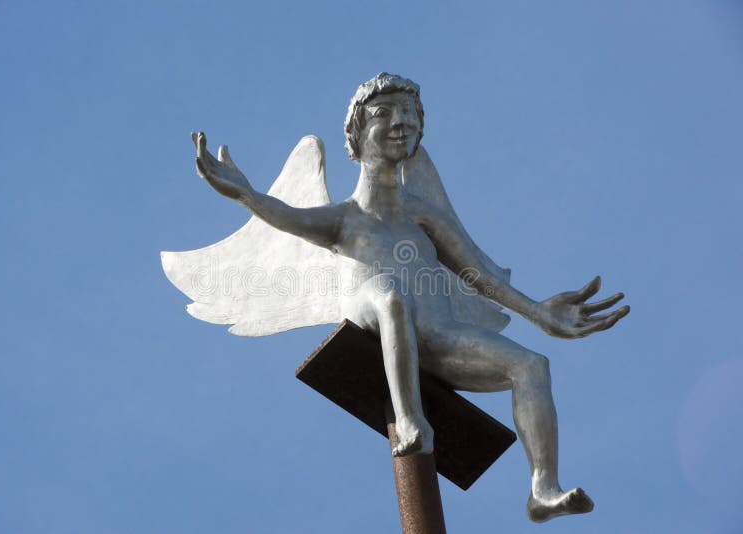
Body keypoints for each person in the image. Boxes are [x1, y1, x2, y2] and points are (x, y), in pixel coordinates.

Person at [191, 72, 629, 522]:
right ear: (357, 135)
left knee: (531, 365)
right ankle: (410, 420)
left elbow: (476, 271)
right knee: (392, 297)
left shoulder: (423, 215)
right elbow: (286, 217)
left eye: (410, 114)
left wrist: (538, 313)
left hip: (439, 337)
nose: (402, 122)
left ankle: (542, 488)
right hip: (373, 308)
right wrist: (246, 195)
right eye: (385, 113)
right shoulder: (345, 218)